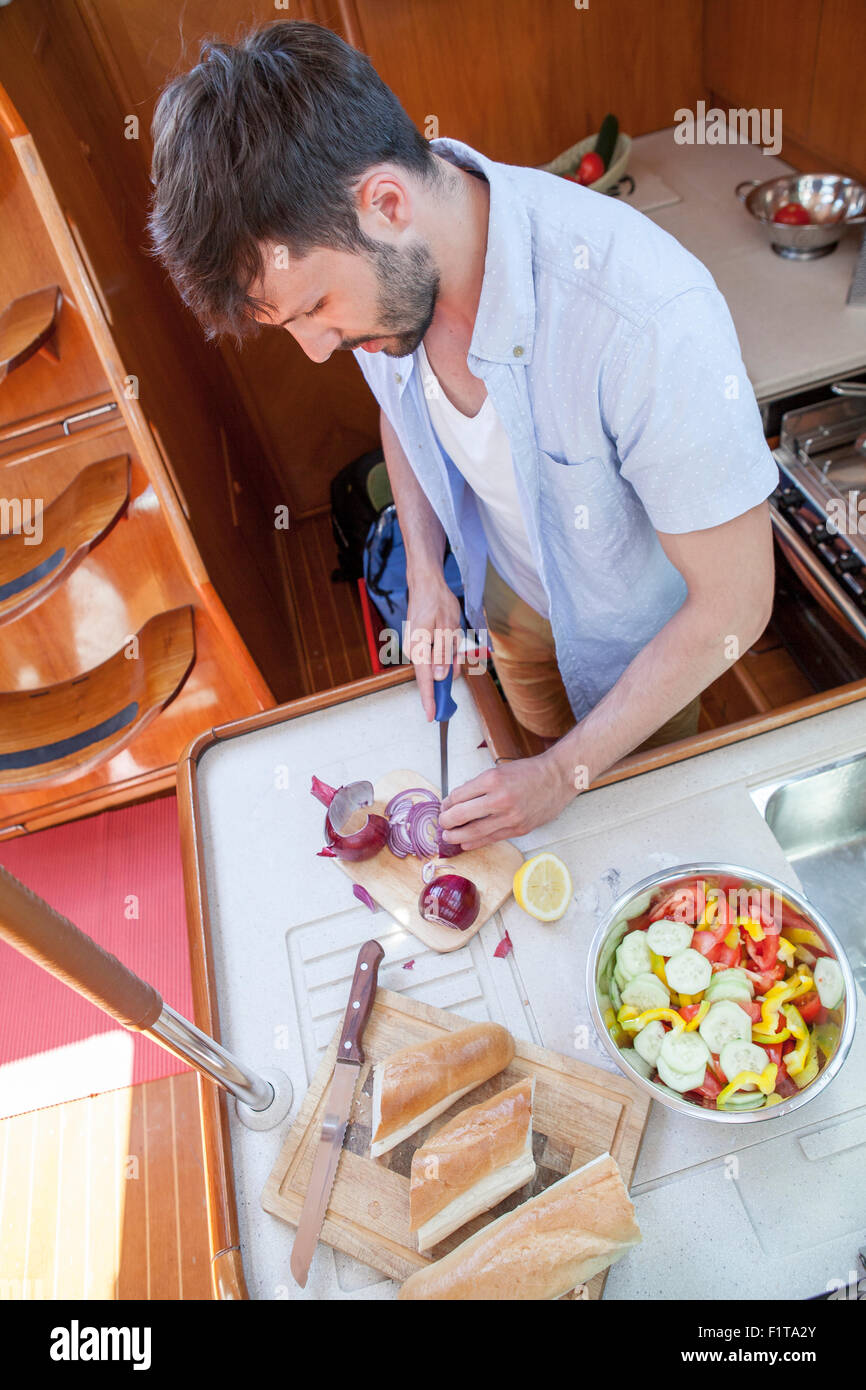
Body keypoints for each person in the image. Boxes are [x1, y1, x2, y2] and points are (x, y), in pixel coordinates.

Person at [149, 20, 777, 851]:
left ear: (387, 203)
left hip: (640, 642)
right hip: (506, 597)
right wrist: (425, 571)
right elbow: (401, 415)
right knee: (541, 773)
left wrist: (564, 775)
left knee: (631, 834)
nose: (317, 347)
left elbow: (737, 604)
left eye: (313, 311)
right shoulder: (386, 291)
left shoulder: (646, 317)